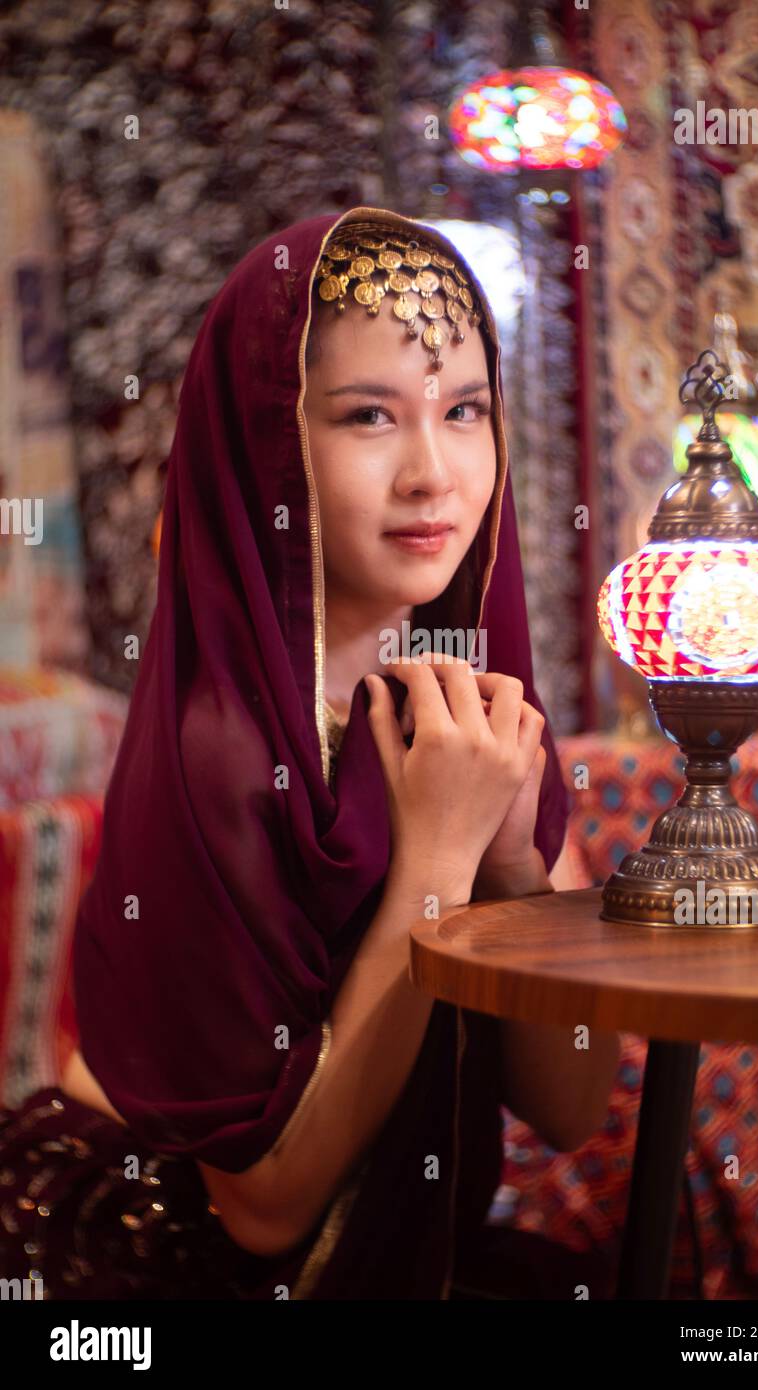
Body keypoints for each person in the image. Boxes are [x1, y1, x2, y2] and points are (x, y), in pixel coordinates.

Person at [0, 207, 621, 1300]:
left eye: (464, 409)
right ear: (267, 442)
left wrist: (518, 870)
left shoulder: (460, 713)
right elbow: (267, 1207)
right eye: (369, 416)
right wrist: (435, 864)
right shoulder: (220, 751)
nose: (434, 472)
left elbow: (569, 1110)